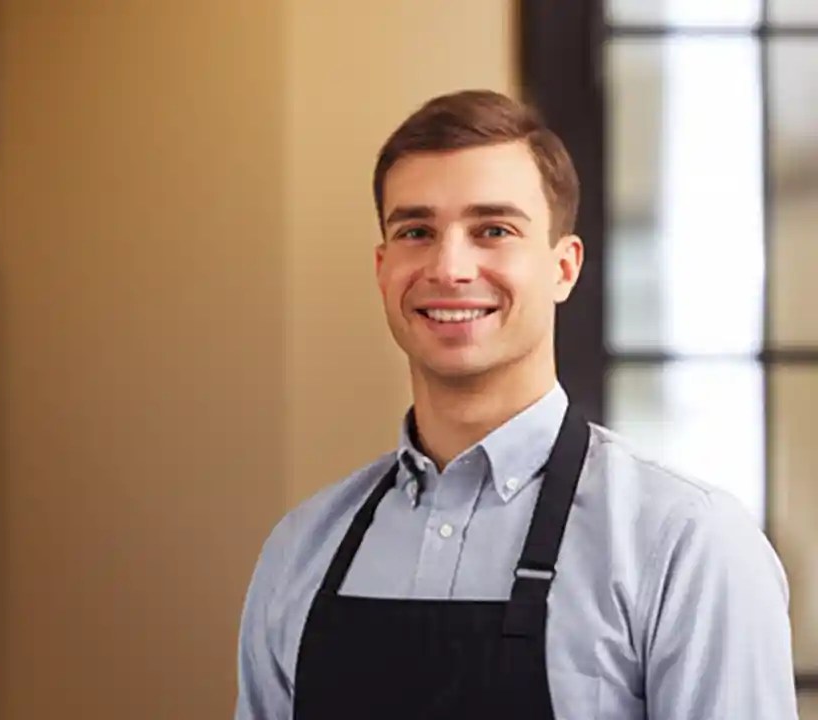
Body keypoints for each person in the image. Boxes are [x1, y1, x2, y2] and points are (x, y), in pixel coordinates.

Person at [233, 89, 798, 719]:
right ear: (382, 266)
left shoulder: (688, 544)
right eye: (416, 231)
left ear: (564, 267)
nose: (449, 267)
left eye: (493, 230)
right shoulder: (300, 549)